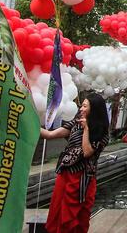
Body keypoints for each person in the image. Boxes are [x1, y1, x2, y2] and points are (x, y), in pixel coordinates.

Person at [40, 93, 111, 233]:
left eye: (85, 106)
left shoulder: (102, 134)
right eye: (82, 105)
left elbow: (87, 152)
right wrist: (29, 122)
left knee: (78, 218)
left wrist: (86, 129)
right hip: (66, 175)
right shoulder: (75, 123)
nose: (81, 109)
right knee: (58, 212)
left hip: (83, 180)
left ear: (94, 109)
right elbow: (49, 135)